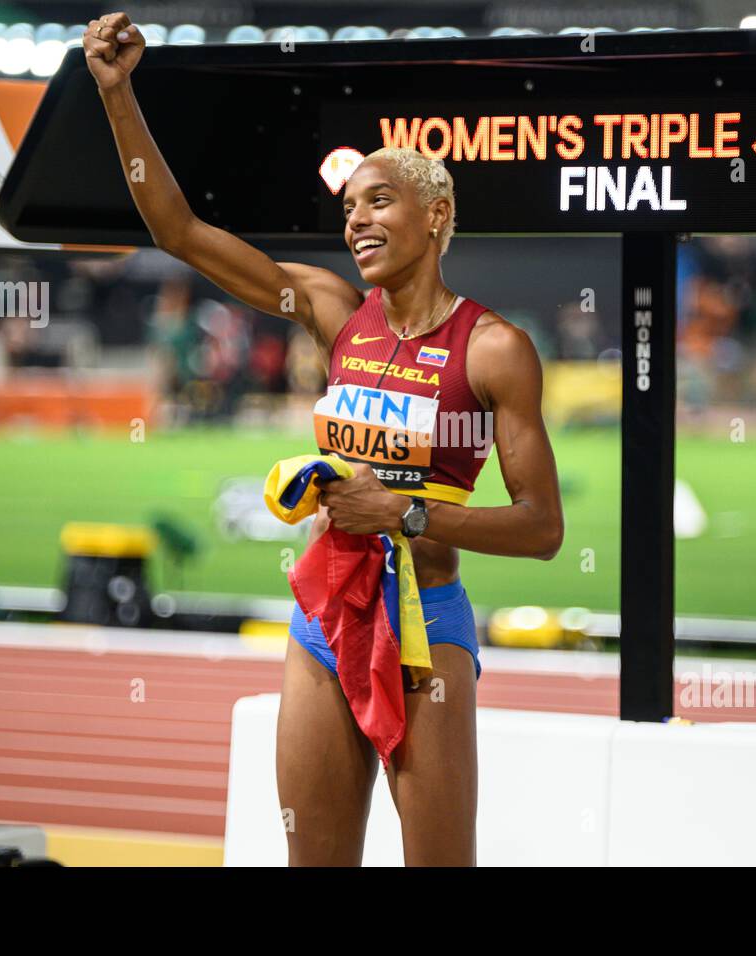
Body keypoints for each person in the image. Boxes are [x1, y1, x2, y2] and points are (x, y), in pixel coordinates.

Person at [84, 13, 564, 864]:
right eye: (349, 208)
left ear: (437, 214)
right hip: (322, 620)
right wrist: (117, 93)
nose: (358, 222)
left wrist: (404, 513)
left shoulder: (493, 349)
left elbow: (541, 528)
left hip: (426, 629)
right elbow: (178, 233)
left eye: (381, 200)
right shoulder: (333, 312)